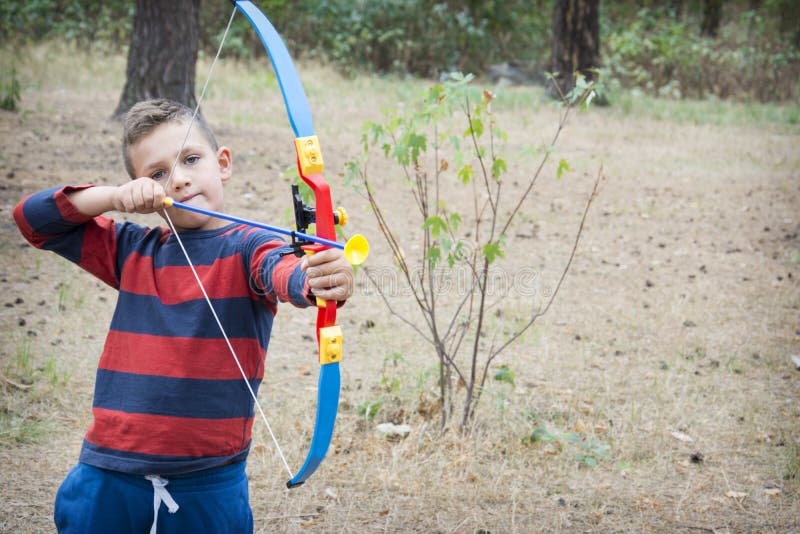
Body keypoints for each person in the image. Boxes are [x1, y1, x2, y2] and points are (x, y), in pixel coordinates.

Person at [13, 99, 354, 533]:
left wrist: (316, 279)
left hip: (207, 484)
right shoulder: (132, 249)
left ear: (222, 162)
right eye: (157, 174)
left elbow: (282, 271)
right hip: (108, 473)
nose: (178, 179)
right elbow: (32, 219)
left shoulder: (251, 246)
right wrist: (114, 197)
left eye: (191, 158)